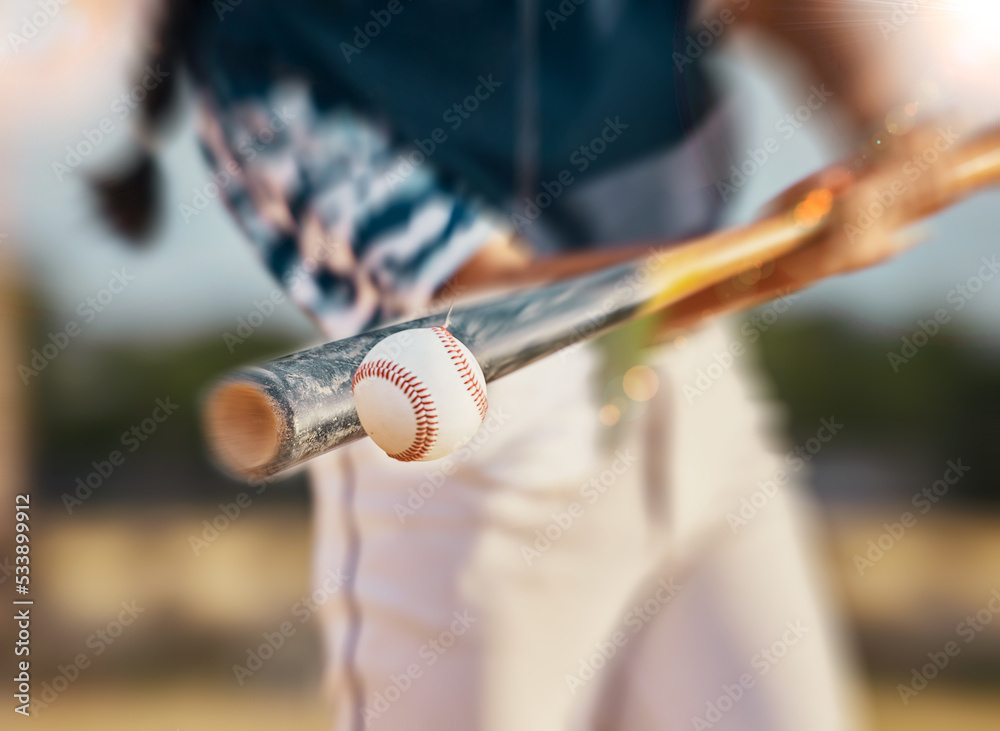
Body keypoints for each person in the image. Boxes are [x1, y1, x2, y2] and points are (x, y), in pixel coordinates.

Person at [92, 1, 922, 727]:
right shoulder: (258, 49)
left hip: (705, 389)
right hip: (467, 438)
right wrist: (778, 262)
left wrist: (883, 124)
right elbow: (498, 298)